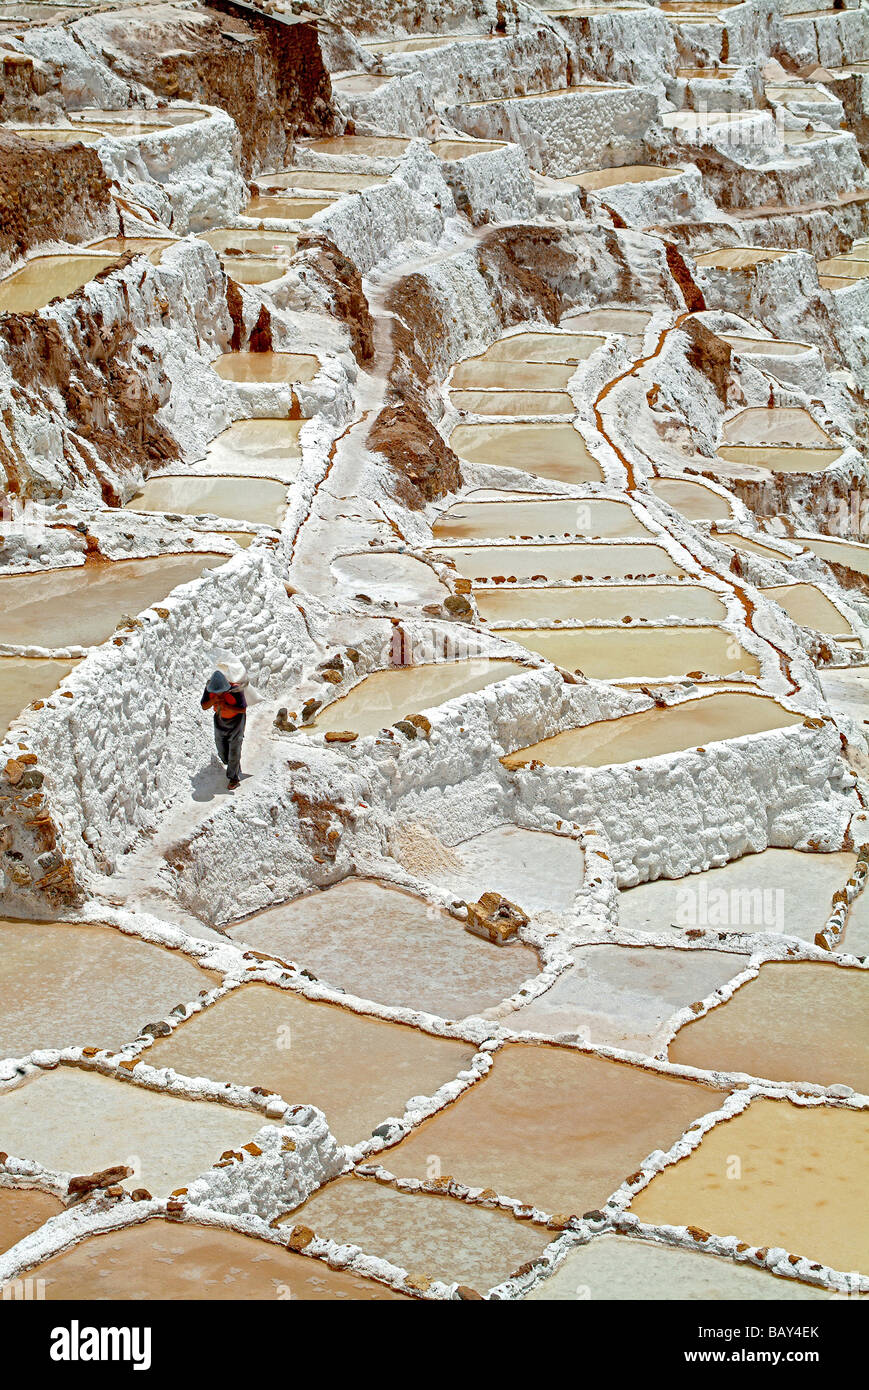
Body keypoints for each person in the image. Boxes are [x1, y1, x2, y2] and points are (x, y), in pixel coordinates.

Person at [201, 669, 246, 789]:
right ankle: (233, 764)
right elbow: (204, 706)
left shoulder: (236, 690)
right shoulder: (209, 689)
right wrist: (214, 700)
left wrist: (226, 706)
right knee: (221, 747)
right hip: (220, 720)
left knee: (234, 748)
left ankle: (233, 778)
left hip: (236, 721)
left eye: (221, 692)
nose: (219, 694)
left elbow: (242, 709)